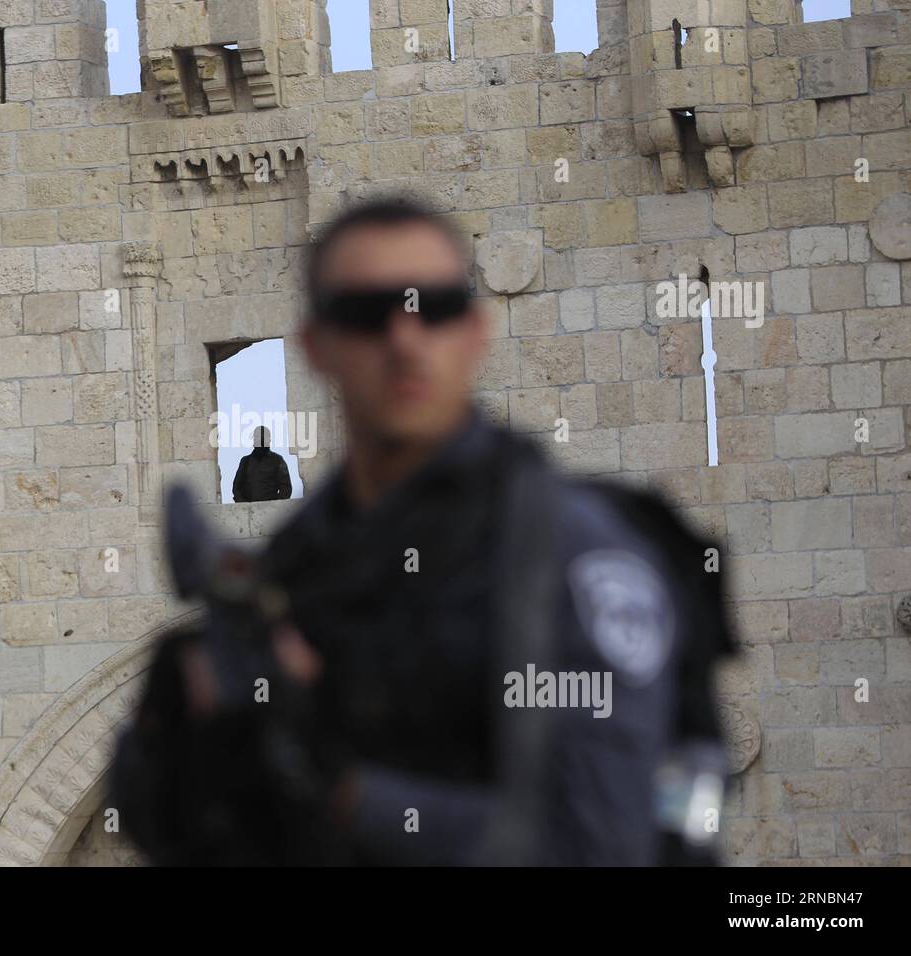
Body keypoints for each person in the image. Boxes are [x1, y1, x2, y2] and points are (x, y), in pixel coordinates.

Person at [111, 197, 736, 865]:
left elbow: (603, 847)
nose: (403, 339)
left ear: (473, 332)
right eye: (366, 313)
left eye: (432, 308)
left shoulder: (577, 552)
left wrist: (341, 788)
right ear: (316, 346)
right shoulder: (294, 572)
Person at [231, 426, 293, 503]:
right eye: (257, 437)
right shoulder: (245, 461)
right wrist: (244, 505)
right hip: (249, 511)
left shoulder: (277, 460)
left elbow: (286, 488)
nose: (259, 440)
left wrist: (275, 506)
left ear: (268, 440)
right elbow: (237, 487)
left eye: (262, 437)